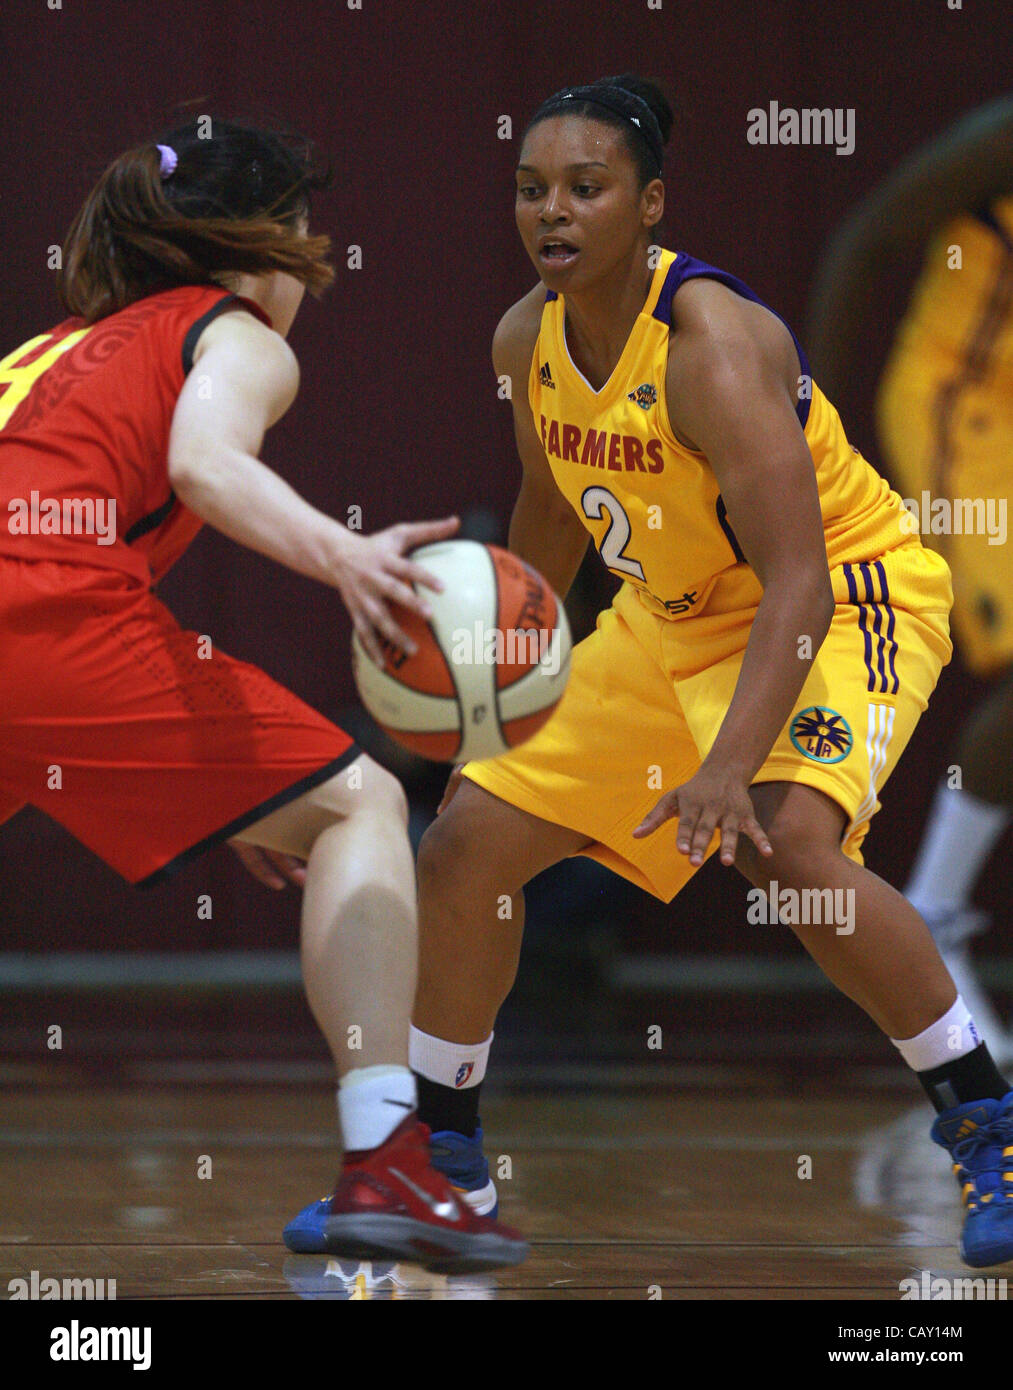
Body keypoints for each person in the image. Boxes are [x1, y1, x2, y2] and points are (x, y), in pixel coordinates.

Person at [280, 73, 1013, 1269]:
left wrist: (726, 767)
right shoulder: (526, 335)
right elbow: (549, 527)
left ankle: (988, 1124)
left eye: (584, 188)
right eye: (530, 190)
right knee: (464, 841)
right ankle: (439, 1163)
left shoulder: (714, 350)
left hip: (844, 598)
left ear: (649, 203)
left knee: (787, 848)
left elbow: (798, 583)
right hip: (665, 618)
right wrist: (490, 675)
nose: (550, 212)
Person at [0, 118, 526, 1273]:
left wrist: (228, 785)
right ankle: (388, 1153)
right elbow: (204, 465)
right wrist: (340, 556)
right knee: (360, 807)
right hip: (48, 623)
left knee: (314, 797)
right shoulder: (231, 332)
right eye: (305, 230)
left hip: (38, 627)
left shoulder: (51, 350)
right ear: (272, 240)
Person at [806, 96, 1013, 1062]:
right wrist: (820, 426)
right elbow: (872, 236)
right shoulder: (997, 137)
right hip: (963, 409)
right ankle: (930, 914)